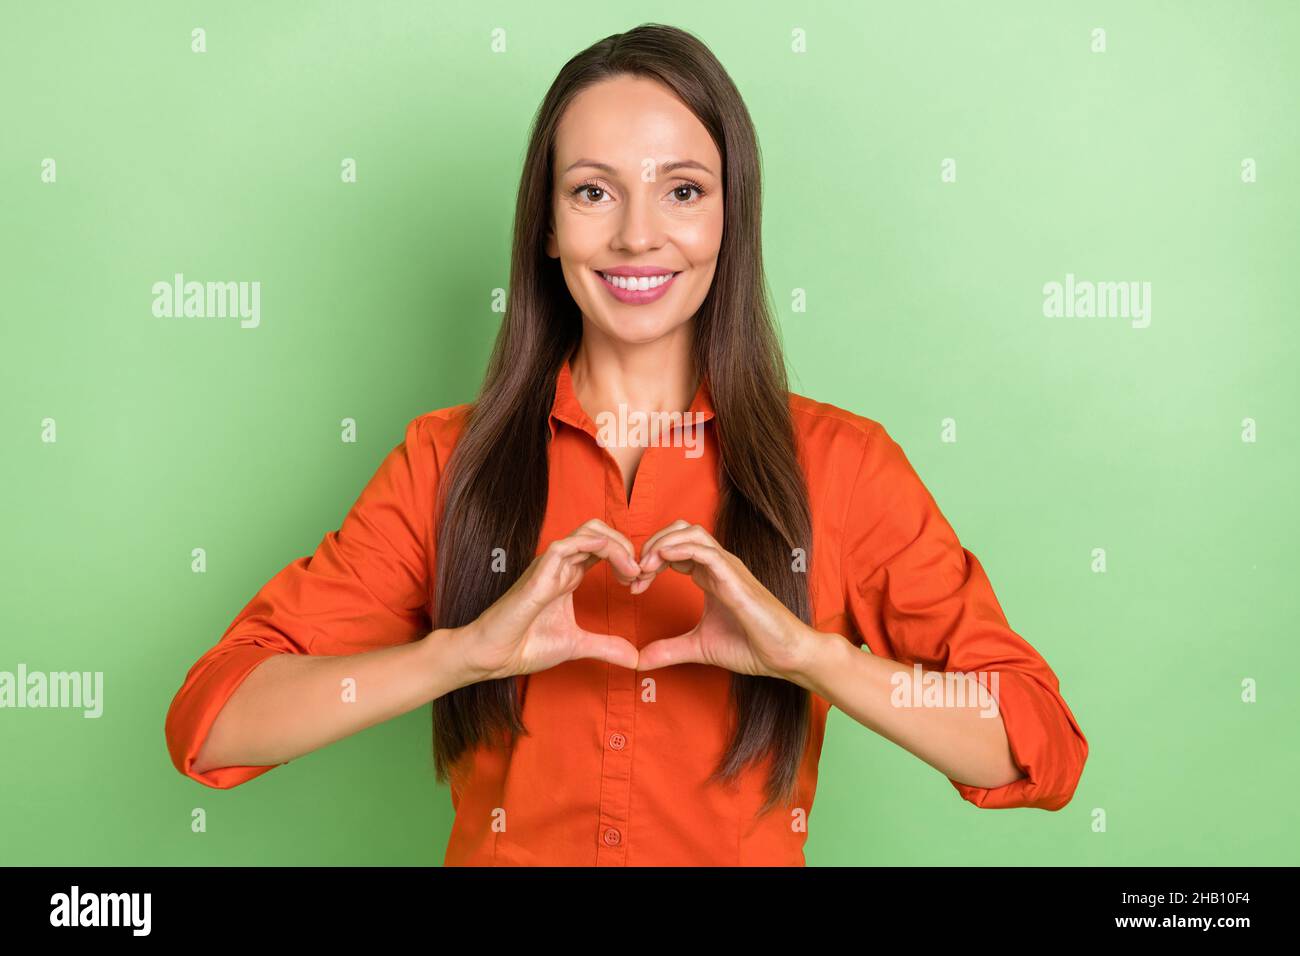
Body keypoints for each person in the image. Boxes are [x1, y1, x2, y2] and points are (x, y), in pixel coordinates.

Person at [164, 22, 1088, 866]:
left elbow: (1036, 745)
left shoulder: (842, 465)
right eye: (594, 192)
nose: (638, 235)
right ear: (549, 229)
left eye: (682, 190)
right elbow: (213, 723)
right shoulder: (447, 464)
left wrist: (813, 657)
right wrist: (462, 653)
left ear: (731, 217)